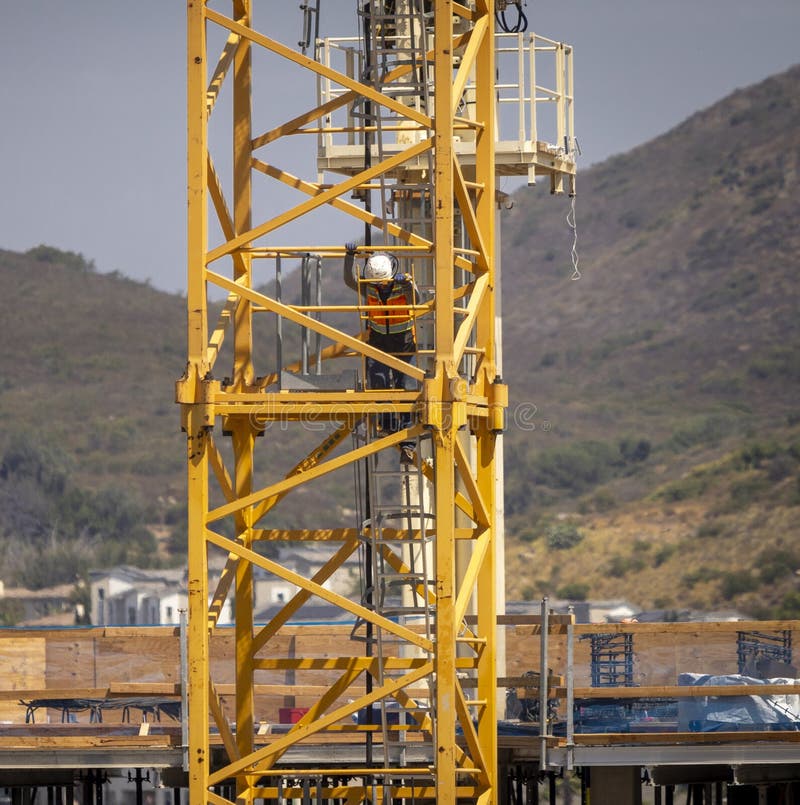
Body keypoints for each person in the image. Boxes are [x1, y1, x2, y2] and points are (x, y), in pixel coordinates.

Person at [344, 242, 418, 461]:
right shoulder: (370, 286)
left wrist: (408, 286)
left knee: (406, 389)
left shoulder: (402, 286)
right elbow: (350, 281)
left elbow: (417, 301)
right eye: (378, 283)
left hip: (404, 344)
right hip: (378, 342)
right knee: (379, 383)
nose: (381, 286)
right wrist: (349, 257)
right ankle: (387, 425)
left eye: (383, 282)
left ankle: (408, 441)